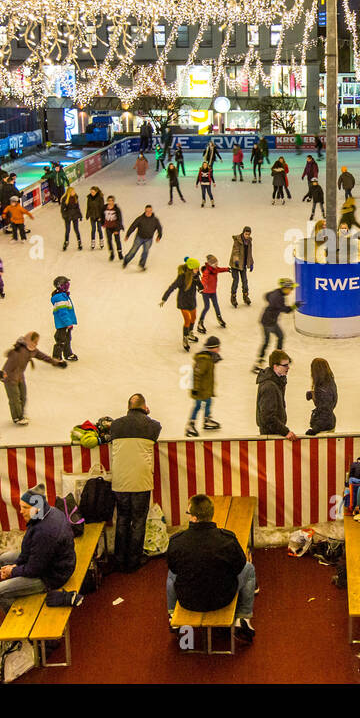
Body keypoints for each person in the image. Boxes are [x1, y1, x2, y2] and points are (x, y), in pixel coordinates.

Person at [166, 493, 258, 644]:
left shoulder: (177, 541)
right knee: (249, 568)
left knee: (170, 574)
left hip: (188, 600)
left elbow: (173, 568)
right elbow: (239, 566)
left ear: (194, 518)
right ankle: (243, 618)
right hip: (222, 598)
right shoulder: (227, 539)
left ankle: (172, 616)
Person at [0, 486, 77, 614]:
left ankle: (18, 623)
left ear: (37, 508)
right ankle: (19, 591)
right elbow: (28, 550)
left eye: (25, 508)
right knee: (4, 558)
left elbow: (34, 569)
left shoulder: (45, 532)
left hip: (53, 576)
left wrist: (13, 571)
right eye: (21, 506)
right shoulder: (48, 512)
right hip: (53, 564)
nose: (21, 511)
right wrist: (16, 566)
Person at [109, 394, 162, 571]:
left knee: (123, 518)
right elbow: (154, 429)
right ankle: (133, 561)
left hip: (120, 481)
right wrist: (147, 415)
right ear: (145, 407)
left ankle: (119, 559)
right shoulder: (153, 426)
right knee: (139, 520)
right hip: (141, 480)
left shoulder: (115, 425)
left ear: (128, 407)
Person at [1, 332, 67, 426]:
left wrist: (57, 362)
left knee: (23, 396)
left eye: (37, 342)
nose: (36, 344)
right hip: (10, 378)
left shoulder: (32, 350)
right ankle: (17, 417)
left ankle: (21, 415)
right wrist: (2, 376)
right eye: (35, 342)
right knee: (15, 399)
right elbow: (7, 366)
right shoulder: (18, 351)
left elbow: (44, 357)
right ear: (29, 340)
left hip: (20, 376)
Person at [160, 257, 204, 352]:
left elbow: (199, 284)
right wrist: (164, 298)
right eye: (196, 268)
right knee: (187, 320)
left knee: (193, 318)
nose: (198, 269)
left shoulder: (196, 275)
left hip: (192, 300)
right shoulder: (182, 277)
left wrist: (201, 288)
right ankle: (185, 338)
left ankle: (190, 333)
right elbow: (172, 287)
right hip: (183, 301)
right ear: (191, 268)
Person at [255, 349, 296, 440]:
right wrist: (285, 431)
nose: (288, 367)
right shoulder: (269, 387)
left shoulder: (278, 381)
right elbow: (268, 417)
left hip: (275, 432)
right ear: (275, 367)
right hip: (270, 435)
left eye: (288, 364)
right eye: (285, 365)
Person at [255, 279, 296, 368]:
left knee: (278, 337)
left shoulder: (277, 292)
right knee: (270, 340)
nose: (291, 291)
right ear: (285, 288)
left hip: (270, 320)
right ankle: (261, 361)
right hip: (268, 322)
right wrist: (294, 306)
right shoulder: (278, 297)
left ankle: (277, 357)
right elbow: (285, 310)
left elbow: (266, 295)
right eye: (291, 288)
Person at [186, 337, 222, 438]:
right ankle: (191, 425)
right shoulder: (203, 359)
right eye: (217, 347)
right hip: (200, 390)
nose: (219, 349)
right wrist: (195, 389)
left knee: (209, 403)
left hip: (206, 389)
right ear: (212, 348)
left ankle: (207, 420)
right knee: (198, 406)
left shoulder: (209, 357)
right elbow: (196, 375)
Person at [122, 204, 164, 270]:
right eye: (147, 211)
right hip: (139, 238)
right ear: (145, 211)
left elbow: (159, 228)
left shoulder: (155, 220)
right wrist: (128, 235)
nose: (148, 212)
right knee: (133, 250)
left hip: (148, 239)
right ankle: (126, 260)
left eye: (150, 211)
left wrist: (159, 236)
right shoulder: (140, 219)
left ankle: (141, 265)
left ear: (152, 211)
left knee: (145, 252)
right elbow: (133, 226)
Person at [305, 357, 338, 436]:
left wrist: (315, 429)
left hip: (324, 427)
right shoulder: (329, 383)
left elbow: (325, 411)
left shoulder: (322, 389)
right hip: (329, 423)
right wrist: (313, 394)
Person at [50, 275, 79, 362]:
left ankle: (68, 354)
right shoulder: (60, 298)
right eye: (66, 284)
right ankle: (56, 357)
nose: (68, 285)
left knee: (67, 339)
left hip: (65, 323)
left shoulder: (63, 296)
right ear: (61, 286)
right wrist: (68, 322)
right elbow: (63, 313)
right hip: (63, 324)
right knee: (61, 340)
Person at [229, 227, 253, 308]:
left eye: (248, 234)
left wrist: (251, 263)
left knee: (245, 281)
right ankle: (233, 297)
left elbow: (249, 253)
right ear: (243, 233)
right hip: (235, 265)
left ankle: (245, 296)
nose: (247, 236)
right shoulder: (237, 240)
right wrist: (236, 260)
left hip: (243, 265)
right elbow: (235, 251)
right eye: (246, 234)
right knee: (236, 281)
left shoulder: (249, 242)